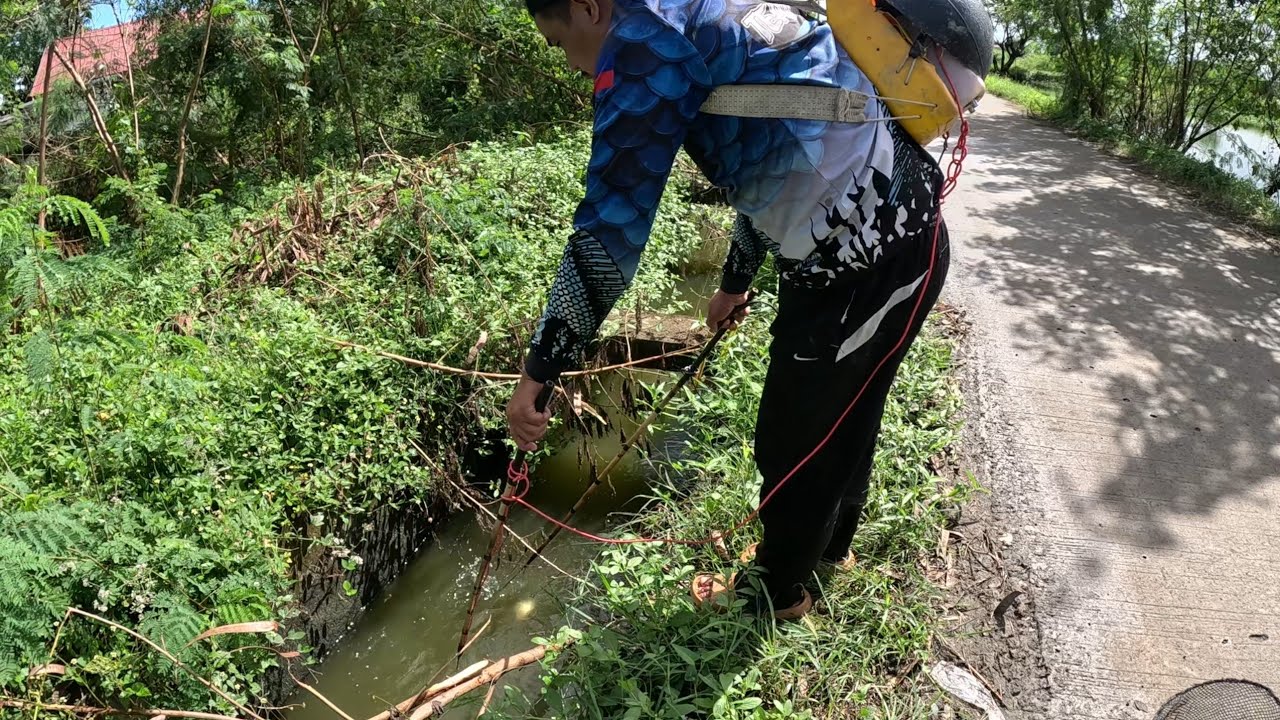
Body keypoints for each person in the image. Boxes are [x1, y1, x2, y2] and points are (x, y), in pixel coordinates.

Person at [506, 0, 950, 619]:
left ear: (588, 7)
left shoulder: (641, 44)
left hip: (867, 259)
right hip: (898, 233)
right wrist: (737, 280)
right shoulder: (696, 9)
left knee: (792, 437)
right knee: (849, 403)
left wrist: (541, 368)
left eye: (560, 43)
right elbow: (771, 139)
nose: (573, 65)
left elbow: (608, 234)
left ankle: (778, 594)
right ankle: (825, 554)